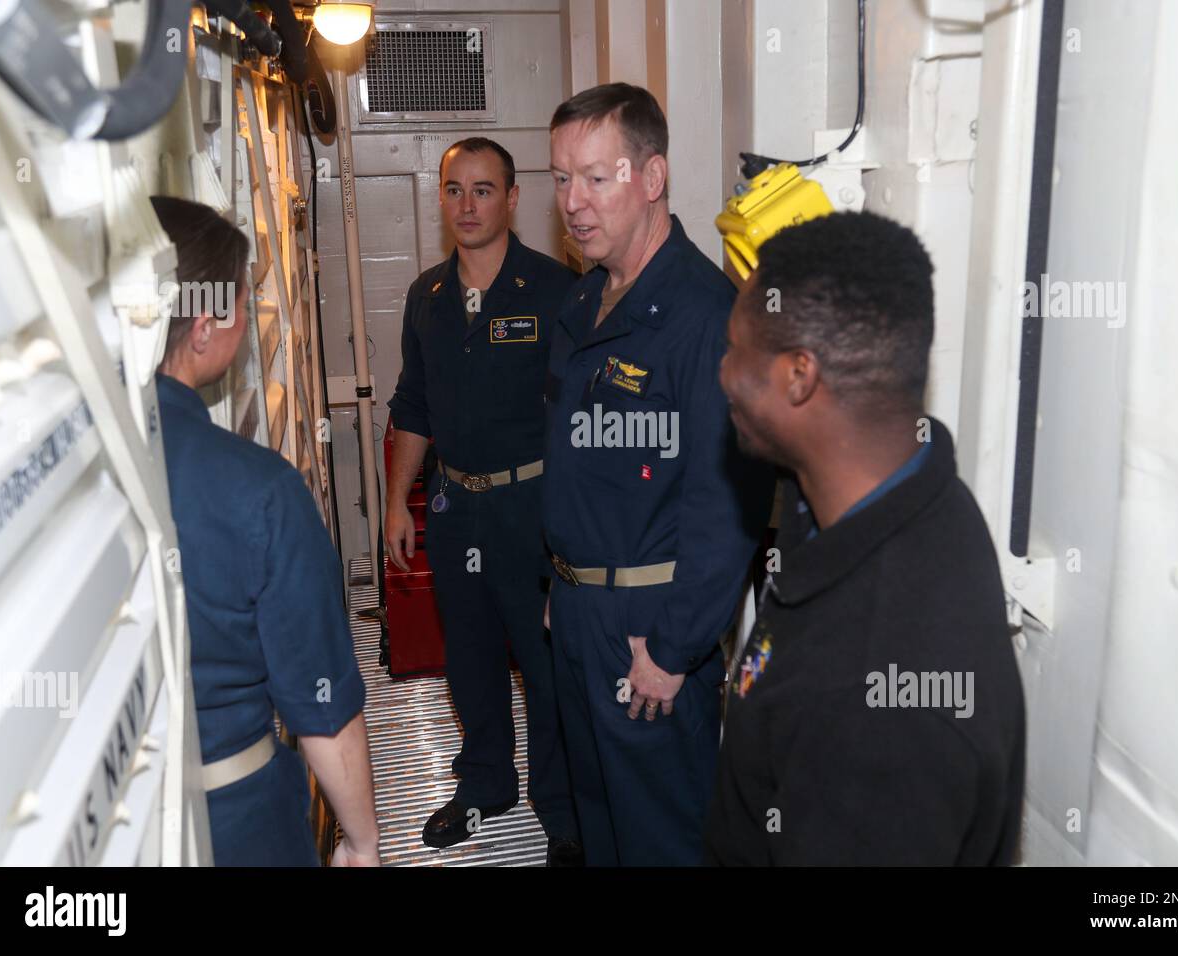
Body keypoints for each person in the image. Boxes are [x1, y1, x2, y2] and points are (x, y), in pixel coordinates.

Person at [704, 211, 1027, 865]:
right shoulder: (897, 488)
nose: (722, 371)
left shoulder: (879, 718)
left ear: (800, 376)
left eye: (736, 346)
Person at [543, 83, 775, 866]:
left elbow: (730, 505)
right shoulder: (587, 301)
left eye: (596, 178)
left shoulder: (706, 316)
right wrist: (563, 587)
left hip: (649, 627)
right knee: (600, 822)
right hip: (581, 614)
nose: (574, 203)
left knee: (661, 839)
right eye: (561, 179)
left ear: (652, 177)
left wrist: (673, 651)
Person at [151, 195, 379, 867]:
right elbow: (321, 703)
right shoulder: (258, 491)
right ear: (205, 327)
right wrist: (361, 843)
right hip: (236, 822)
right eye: (245, 302)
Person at [384, 138, 581, 865]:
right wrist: (397, 501)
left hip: (530, 510)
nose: (467, 206)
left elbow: (577, 421)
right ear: (441, 198)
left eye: (483, 190)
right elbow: (412, 406)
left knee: (544, 662)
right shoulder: (426, 298)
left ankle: (561, 811)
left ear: (513, 198)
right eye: (454, 190)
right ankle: (485, 784)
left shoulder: (557, 292)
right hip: (452, 505)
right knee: (467, 655)